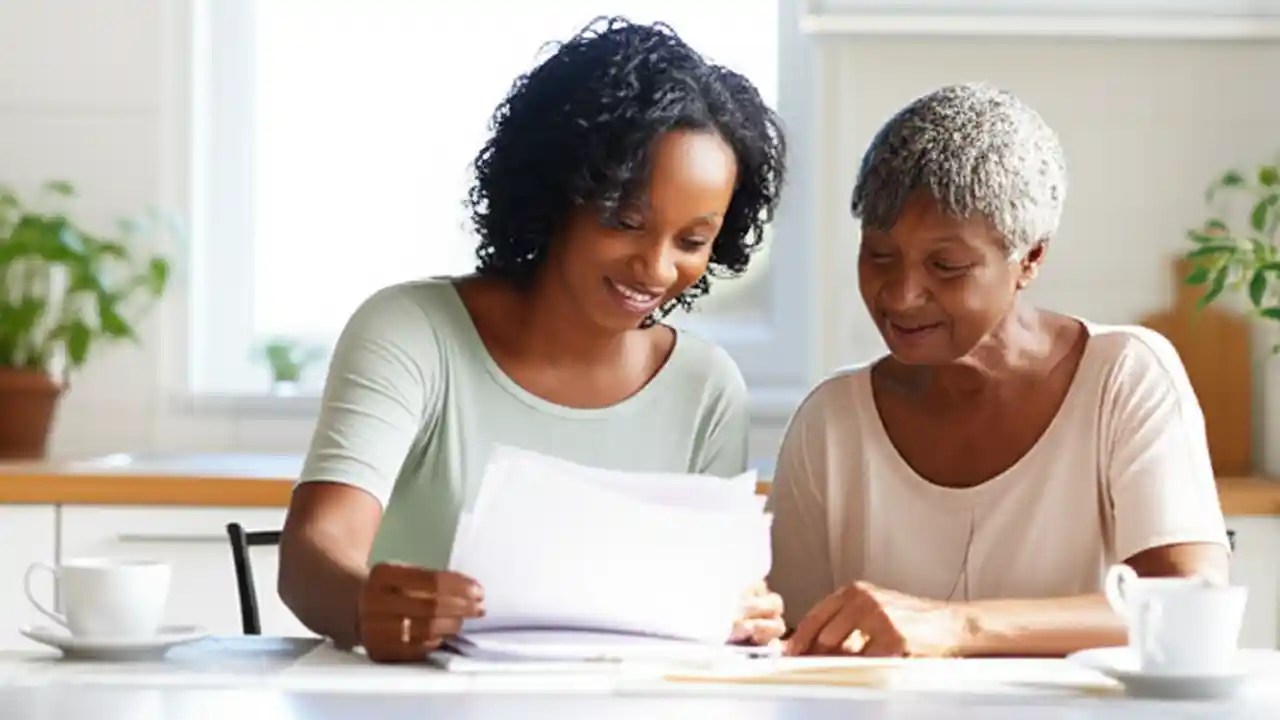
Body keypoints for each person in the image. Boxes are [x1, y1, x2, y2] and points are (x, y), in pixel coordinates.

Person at [277, 17, 788, 662]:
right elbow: (311, 554)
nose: (657, 268)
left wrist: (741, 613)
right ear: (556, 196)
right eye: (625, 221)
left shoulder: (706, 387)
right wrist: (361, 604)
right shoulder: (413, 334)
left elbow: (708, 605)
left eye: (691, 241)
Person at [767, 83, 1229, 658]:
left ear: (1029, 259)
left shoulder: (1124, 376)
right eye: (879, 256)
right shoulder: (831, 422)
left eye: (947, 265)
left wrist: (958, 628)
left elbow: (1189, 605)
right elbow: (789, 642)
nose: (903, 295)